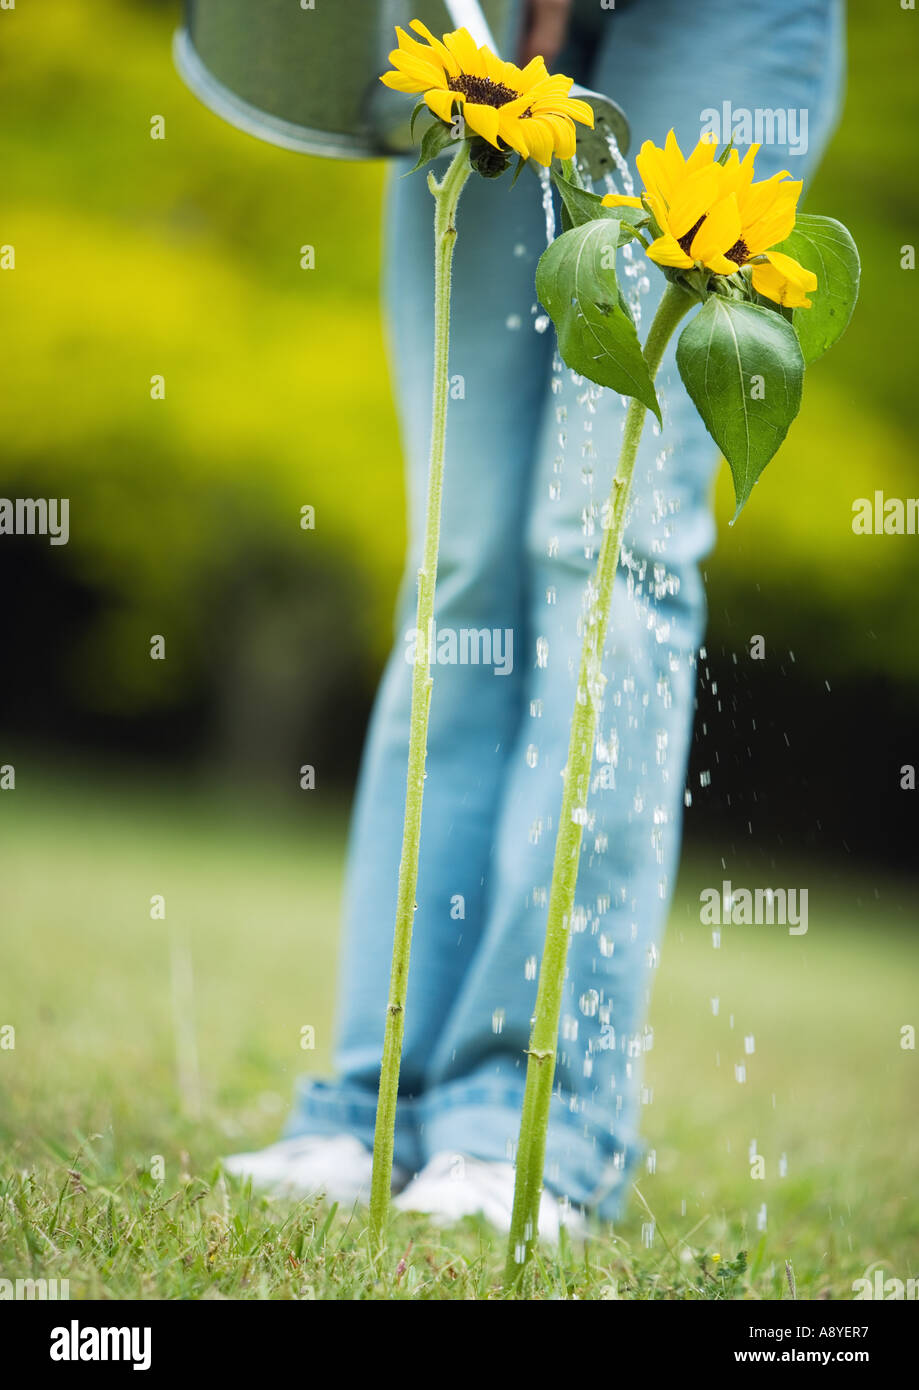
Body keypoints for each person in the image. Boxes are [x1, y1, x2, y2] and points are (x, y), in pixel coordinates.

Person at [226, 0, 845, 1232]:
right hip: (488, 21)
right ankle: (376, 1101)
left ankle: (535, 1120)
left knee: (606, 542)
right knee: (461, 554)